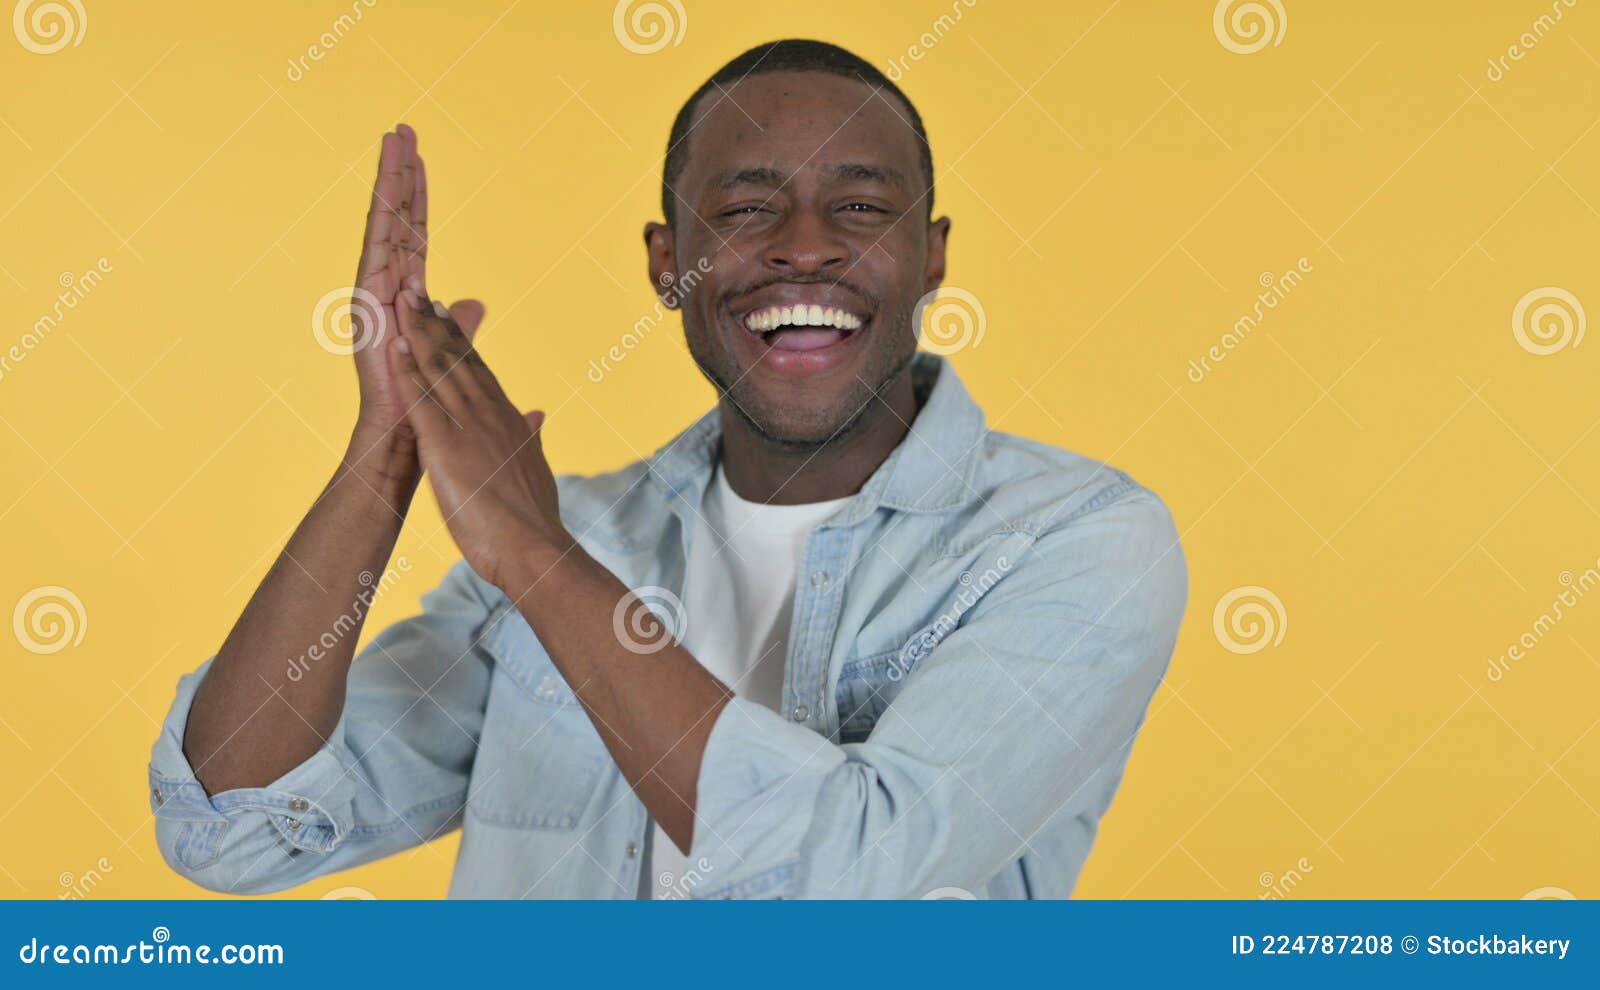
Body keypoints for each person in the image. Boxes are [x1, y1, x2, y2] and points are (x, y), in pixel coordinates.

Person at [148, 39, 1187, 900]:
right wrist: (384, 458)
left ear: (932, 256)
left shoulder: (1077, 541)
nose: (805, 248)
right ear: (664, 261)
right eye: (744, 210)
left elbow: (847, 882)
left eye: (862, 207)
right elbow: (232, 824)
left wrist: (536, 556)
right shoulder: (570, 538)